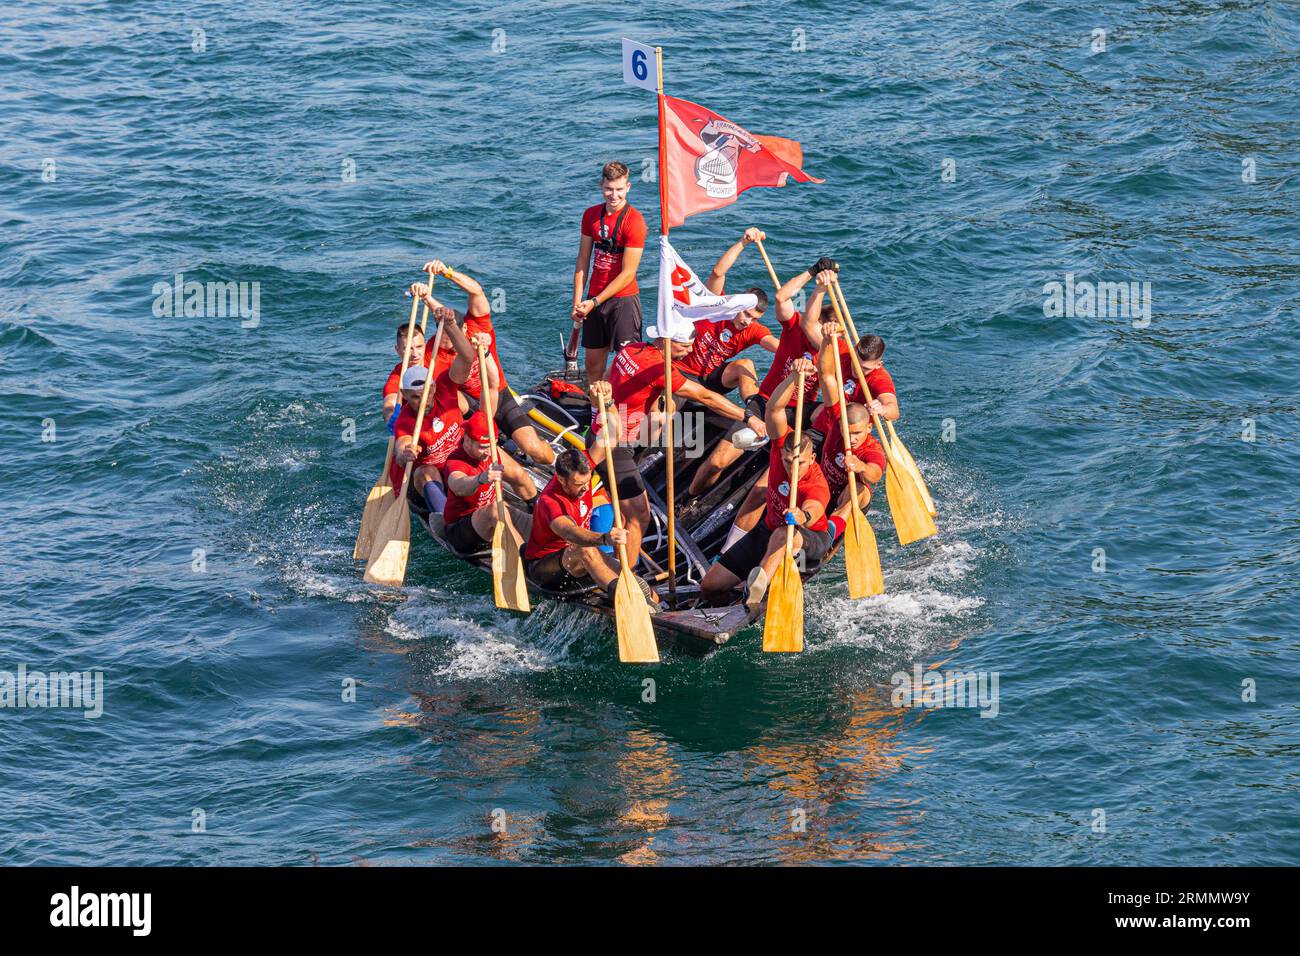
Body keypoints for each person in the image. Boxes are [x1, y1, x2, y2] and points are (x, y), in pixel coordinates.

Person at [586, 330, 766, 569]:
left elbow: (608, 379)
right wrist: (748, 416)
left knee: (628, 500)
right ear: (666, 341)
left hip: (606, 430)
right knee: (639, 516)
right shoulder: (659, 368)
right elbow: (705, 396)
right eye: (684, 345)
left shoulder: (631, 349)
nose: (690, 351)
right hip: (615, 445)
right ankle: (624, 579)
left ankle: (614, 546)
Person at [700, 358, 836, 608]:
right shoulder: (777, 447)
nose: (792, 467)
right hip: (766, 532)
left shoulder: (816, 484)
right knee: (709, 586)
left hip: (809, 540)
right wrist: (793, 380)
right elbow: (774, 408)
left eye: (800, 462)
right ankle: (732, 605)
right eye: (787, 460)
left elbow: (815, 508)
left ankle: (755, 590)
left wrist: (801, 514)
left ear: (812, 458)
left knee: (786, 533)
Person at [416, 264, 556, 465]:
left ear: (463, 329)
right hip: (472, 405)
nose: (450, 342)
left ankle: (553, 457)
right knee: (444, 390)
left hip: (498, 394)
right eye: (444, 337)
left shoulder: (478, 326)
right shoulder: (434, 351)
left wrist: (446, 272)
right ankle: (461, 442)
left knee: (535, 450)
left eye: (453, 336)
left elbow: (476, 291)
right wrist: (425, 298)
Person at [390, 291, 496, 516]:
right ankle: (445, 518)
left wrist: (449, 324)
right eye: (415, 396)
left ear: (433, 388)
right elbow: (400, 442)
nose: (423, 400)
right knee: (424, 473)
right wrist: (404, 452)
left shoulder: (441, 383)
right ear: (406, 396)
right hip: (432, 468)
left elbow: (467, 357)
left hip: (457, 455)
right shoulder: (405, 415)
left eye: (418, 347)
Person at [524, 449, 657, 610]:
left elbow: (603, 440)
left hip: (580, 558)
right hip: (544, 570)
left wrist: (612, 425)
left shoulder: (582, 464)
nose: (586, 488)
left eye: (588, 481)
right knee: (583, 549)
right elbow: (570, 532)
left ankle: (652, 607)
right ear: (561, 479)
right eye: (579, 485)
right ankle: (626, 601)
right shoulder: (550, 502)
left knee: (646, 591)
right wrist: (604, 538)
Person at [572, 161, 648, 385]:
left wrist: (594, 301)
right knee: (593, 366)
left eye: (619, 189)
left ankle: (626, 413)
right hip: (593, 302)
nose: (613, 195)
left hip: (623, 302)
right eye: (609, 189)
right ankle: (596, 415)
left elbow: (628, 273)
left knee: (628, 366)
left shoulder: (635, 222)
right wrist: (578, 301)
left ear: (628, 188)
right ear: (601, 186)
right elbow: (583, 259)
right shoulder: (591, 216)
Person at [441, 410, 539, 556]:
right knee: (494, 509)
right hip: (462, 532)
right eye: (482, 447)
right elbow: (458, 485)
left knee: (546, 525)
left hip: (496, 514)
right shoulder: (455, 462)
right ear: (467, 440)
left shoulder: (492, 451)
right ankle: (522, 560)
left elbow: (519, 476)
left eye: (492, 445)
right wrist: (480, 479)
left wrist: (538, 507)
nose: (488, 452)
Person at [813, 322, 886, 510]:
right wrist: (828, 338)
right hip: (821, 488)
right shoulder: (838, 419)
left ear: (869, 428)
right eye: (848, 433)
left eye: (856, 434)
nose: (851, 439)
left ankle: (834, 526)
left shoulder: (871, 449)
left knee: (862, 489)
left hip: (847, 494)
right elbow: (825, 375)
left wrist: (861, 466)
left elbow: (876, 473)